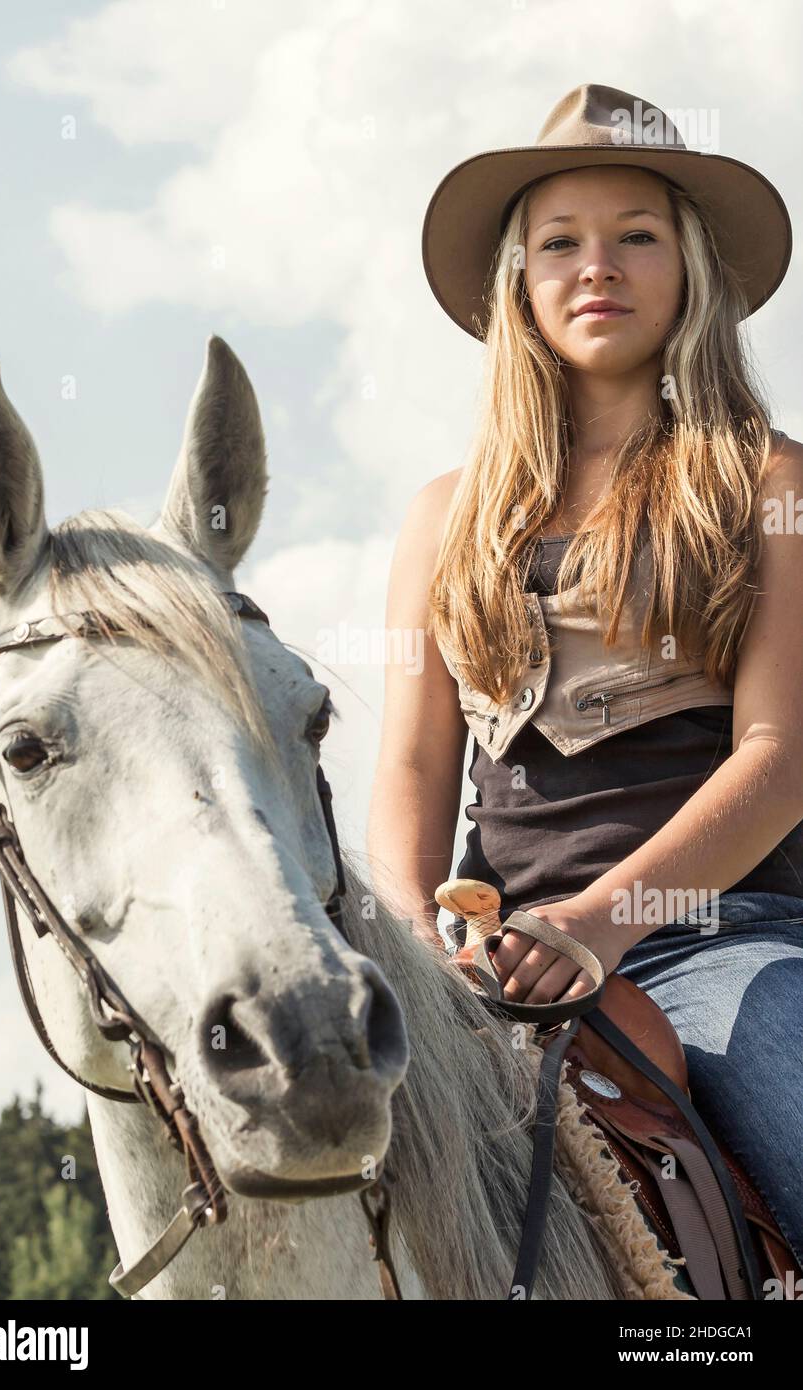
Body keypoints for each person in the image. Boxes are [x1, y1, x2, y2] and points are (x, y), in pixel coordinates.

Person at [367, 84, 803, 1264]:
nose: (594, 266)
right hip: (488, 947)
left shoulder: (768, 481)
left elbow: (780, 756)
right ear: (517, 280)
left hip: (714, 937)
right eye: (557, 241)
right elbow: (412, 761)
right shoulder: (443, 517)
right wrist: (414, 938)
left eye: (635, 235)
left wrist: (599, 922)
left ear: (690, 267)